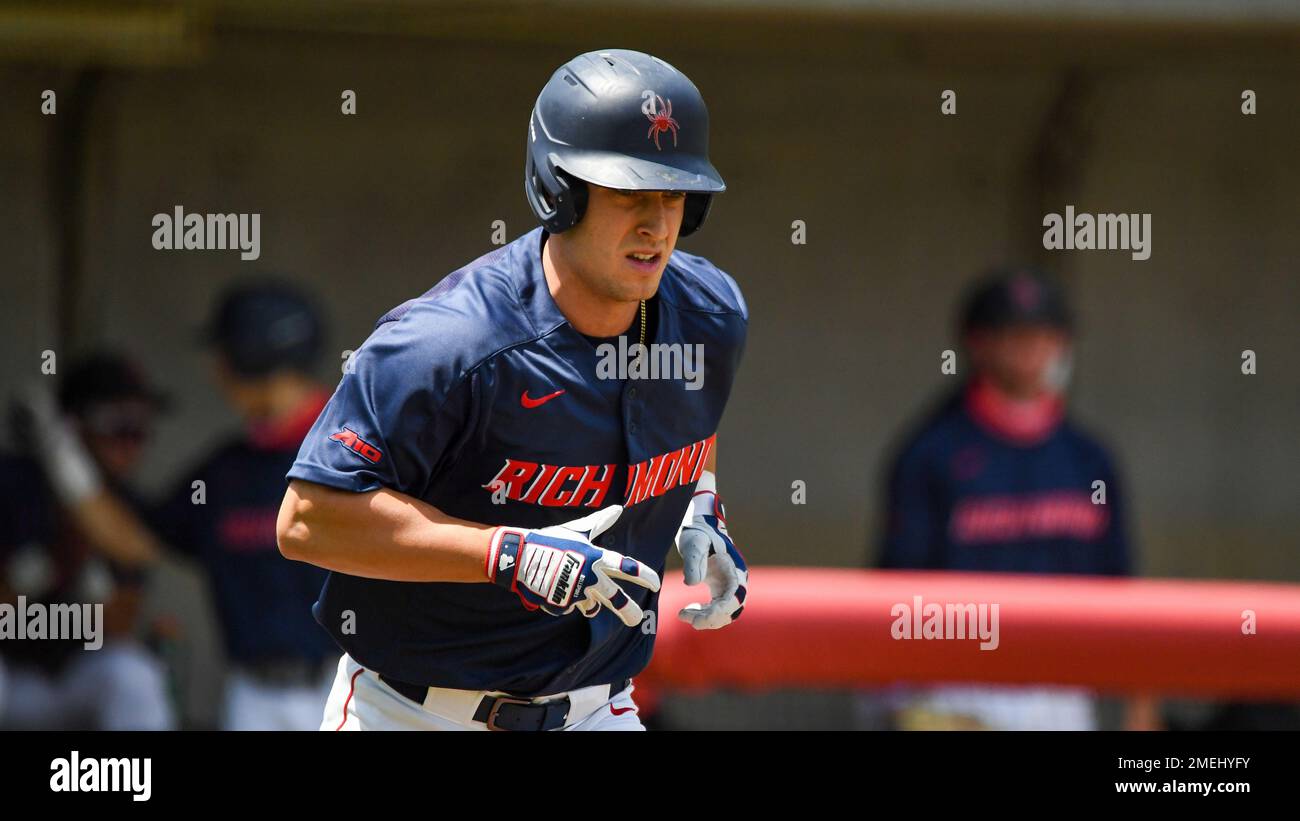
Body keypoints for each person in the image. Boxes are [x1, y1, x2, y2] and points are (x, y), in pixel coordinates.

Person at [277, 48, 750, 731]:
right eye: (628, 194)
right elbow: (305, 520)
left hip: (595, 709)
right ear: (561, 190)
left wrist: (699, 503)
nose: (657, 224)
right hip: (414, 712)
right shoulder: (447, 343)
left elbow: (686, 423)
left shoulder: (711, 317)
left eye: (674, 194)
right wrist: (506, 556)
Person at [868, 266, 1159, 730]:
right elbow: (895, 591)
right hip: (954, 684)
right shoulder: (931, 452)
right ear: (978, 343)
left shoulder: (1089, 460)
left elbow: (1122, 588)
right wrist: (905, 697)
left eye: (1044, 335)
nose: (1031, 348)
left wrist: (1142, 704)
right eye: (1013, 334)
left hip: (1058, 686)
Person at [151, 280, 337, 730]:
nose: (216, 369)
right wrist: (70, 467)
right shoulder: (226, 470)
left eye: (225, 352)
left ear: (253, 354)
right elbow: (141, 539)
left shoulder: (353, 449)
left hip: (340, 685)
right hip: (250, 693)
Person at [0, 353, 174, 730]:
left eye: (141, 428)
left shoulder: (125, 506)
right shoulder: (14, 483)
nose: (132, 443)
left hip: (73, 679)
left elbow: (120, 625)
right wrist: (36, 573)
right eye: (119, 426)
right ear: (73, 427)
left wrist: (85, 585)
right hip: (12, 677)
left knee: (134, 676)